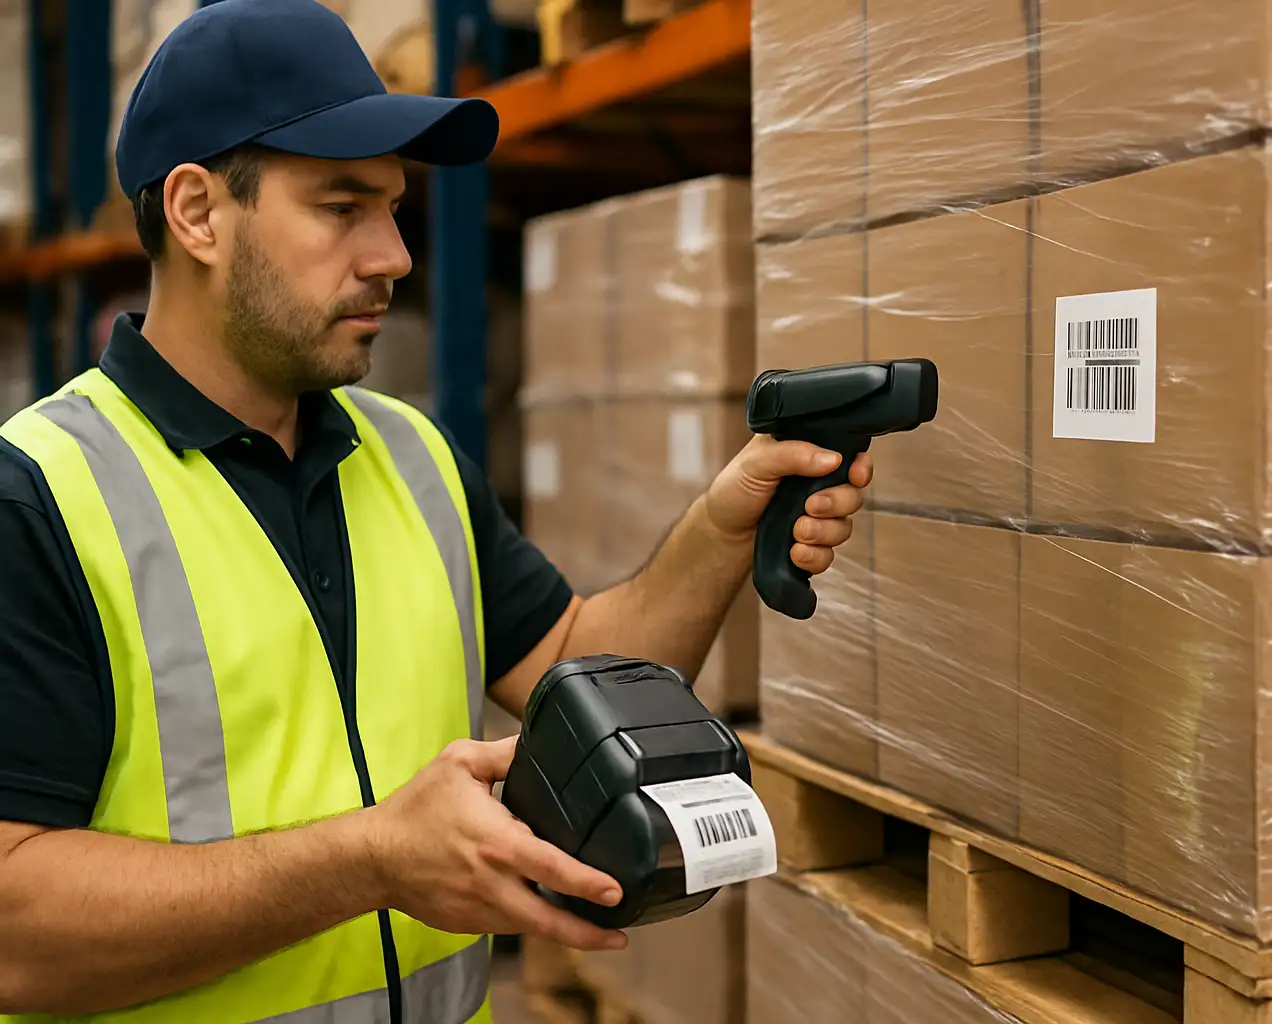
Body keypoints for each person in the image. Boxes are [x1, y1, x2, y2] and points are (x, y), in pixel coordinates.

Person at [0, 1, 871, 1020]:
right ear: (196, 212)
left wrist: (722, 527)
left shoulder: (409, 456)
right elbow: (14, 932)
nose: (394, 256)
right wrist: (369, 859)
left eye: (395, 209)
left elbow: (583, 670)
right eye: (341, 207)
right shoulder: (42, 498)